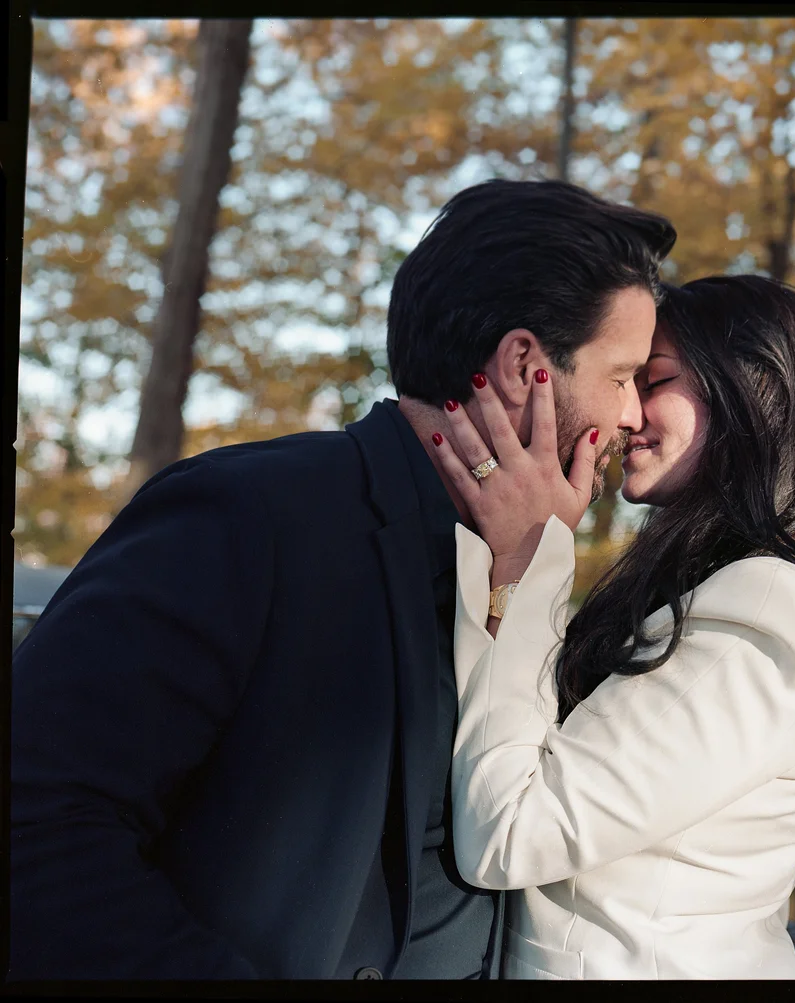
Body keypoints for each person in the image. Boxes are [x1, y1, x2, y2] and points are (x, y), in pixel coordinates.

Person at [8, 179, 676, 980]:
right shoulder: (250, 514)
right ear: (524, 364)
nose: (635, 414)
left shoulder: (536, 566)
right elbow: (39, 820)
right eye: (623, 375)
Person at [432, 275, 795, 980]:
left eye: (656, 380)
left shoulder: (773, 603)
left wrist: (528, 558)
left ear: (751, 389)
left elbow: (512, 832)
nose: (628, 411)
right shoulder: (747, 580)